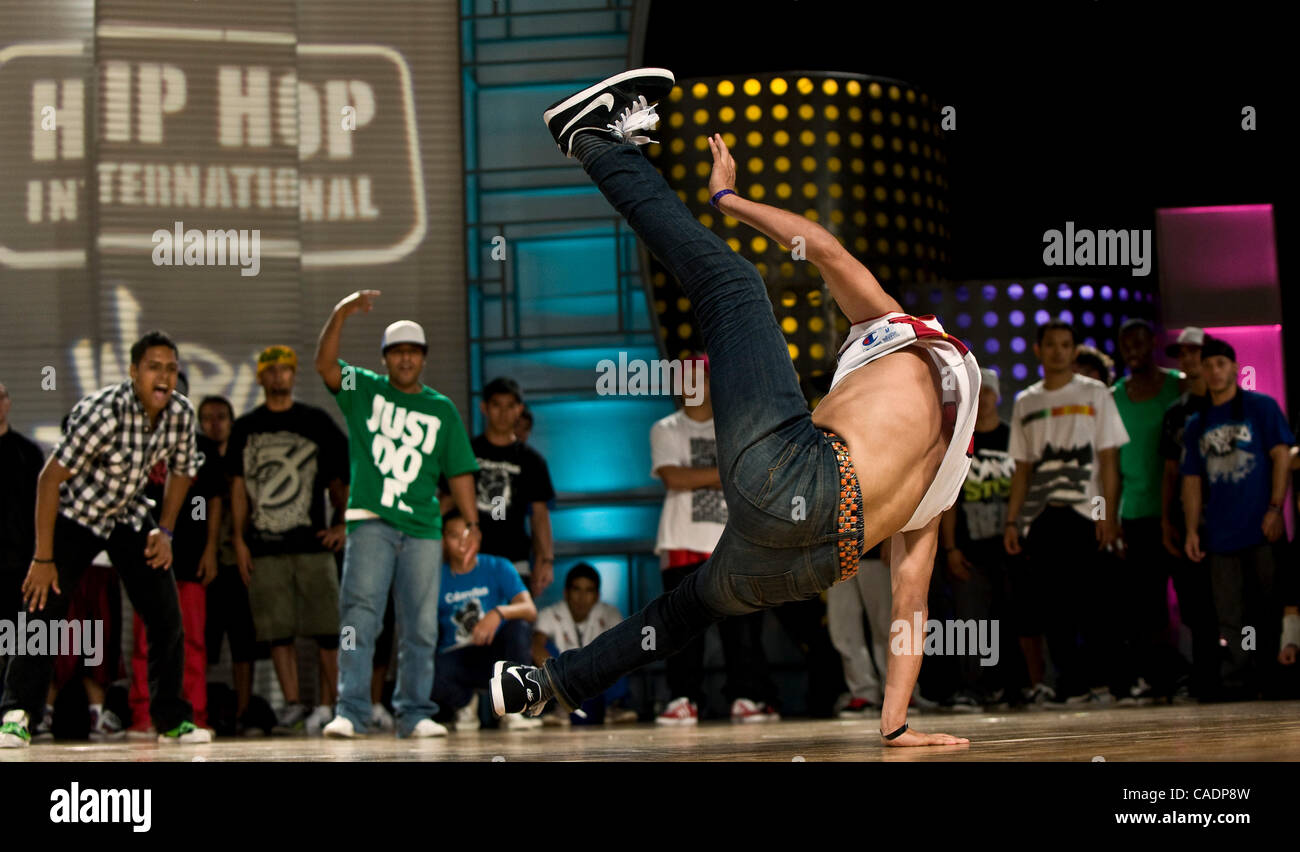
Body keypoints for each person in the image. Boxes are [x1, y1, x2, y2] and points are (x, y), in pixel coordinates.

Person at [490, 69, 981, 747]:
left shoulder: (896, 329)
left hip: (800, 483)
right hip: (801, 566)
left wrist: (728, 196)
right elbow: (910, 601)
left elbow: (823, 248)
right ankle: (549, 686)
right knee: (683, 610)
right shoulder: (942, 478)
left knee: (734, 286)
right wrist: (895, 724)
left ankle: (594, 139)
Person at [0, 331, 211, 746]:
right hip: (76, 514)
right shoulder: (103, 412)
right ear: (134, 372)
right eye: (154, 367)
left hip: (128, 514)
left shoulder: (181, 414)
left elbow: (184, 469)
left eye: (171, 368)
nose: (164, 376)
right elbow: (49, 480)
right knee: (41, 608)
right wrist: (43, 558)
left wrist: (165, 530)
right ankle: (16, 712)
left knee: (166, 613)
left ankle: (171, 720)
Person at [314, 291, 481, 739]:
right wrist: (340, 312)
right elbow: (325, 366)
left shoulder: (441, 409)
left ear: (423, 358)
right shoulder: (363, 388)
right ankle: (350, 711)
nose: (405, 359)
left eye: (413, 351)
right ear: (384, 358)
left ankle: (414, 713)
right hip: (370, 519)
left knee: (421, 625)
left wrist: (472, 523)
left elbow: (461, 471)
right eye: (397, 352)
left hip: (424, 528)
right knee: (360, 616)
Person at [1004, 320, 1128, 706]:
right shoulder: (1026, 401)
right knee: (1053, 606)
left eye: (1066, 344)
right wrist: (1014, 520)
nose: (1059, 351)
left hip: (1086, 510)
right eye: (1052, 344)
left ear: (1074, 351)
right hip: (1042, 514)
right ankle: (1071, 684)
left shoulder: (1094, 393)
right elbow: (1022, 468)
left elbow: (1108, 458)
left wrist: (1104, 515)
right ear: (1038, 350)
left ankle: (1103, 682)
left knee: (1095, 602)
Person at [649, 354, 779, 723]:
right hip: (681, 542)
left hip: (732, 541)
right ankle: (683, 699)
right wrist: (726, 472)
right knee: (682, 628)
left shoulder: (734, 426)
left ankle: (746, 696)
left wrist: (704, 475)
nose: (692, 386)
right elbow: (675, 479)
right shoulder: (666, 428)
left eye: (700, 379)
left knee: (742, 629)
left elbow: (753, 475)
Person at [227, 346, 349, 735]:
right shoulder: (245, 428)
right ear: (261, 377)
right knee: (277, 632)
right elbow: (237, 487)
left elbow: (340, 479)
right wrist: (240, 540)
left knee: (328, 630)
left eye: (286, 370)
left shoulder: (316, 422)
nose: (279, 376)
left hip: (313, 544)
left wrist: (344, 523)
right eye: (271, 370)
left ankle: (333, 706)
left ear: (294, 376)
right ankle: (294, 705)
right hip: (265, 546)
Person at [1180, 337, 1294, 699]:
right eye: (1208, 364)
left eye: (1221, 364)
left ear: (1233, 367)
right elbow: (1192, 479)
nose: (1214, 371)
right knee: (1230, 614)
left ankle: (1273, 676)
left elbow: (1281, 456)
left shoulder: (1261, 407)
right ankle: (1239, 679)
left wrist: (1276, 508)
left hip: (1261, 526)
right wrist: (1191, 529)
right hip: (1220, 534)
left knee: (1269, 606)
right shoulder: (1197, 423)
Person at [127, 371, 224, 736]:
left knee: (193, 640)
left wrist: (211, 549)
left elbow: (214, 501)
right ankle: (143, 716)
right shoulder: (137, 444)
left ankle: (194, 714)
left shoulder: (201, 447)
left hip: (191, 558)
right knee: (144, 642)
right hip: (149, 557)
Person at [1111, 319, 1185, 701]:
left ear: (1153, 343)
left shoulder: (1179, 384)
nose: (1133, 349)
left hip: (1181, 513)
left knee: (1191, 601)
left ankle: (1202, 673)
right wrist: (1107, 518)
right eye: (1126, 344)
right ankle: (1160, 681)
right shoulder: (1115, 395)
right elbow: (1108, 465)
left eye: (1139, 342)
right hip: (1135, 514)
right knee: (1147, 605)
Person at [938, 367, 1015, 710]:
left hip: (1009, 546)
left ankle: (1011, 686)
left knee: (1011, 618)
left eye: (987, 393)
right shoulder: (960, 441)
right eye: (977, 393)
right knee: (971, 623)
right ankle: (972, 687)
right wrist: (951, 547)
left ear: (996, 395)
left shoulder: (1014, 437)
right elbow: (949, 500)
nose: (982, 400)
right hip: (970, 548)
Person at [432, 509, 537, 731]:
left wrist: (498, 612)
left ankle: (512, 707)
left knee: (519, 627)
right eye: (454, 535)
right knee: (421, 662)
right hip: (456, 657)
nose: (463, 542)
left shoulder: (498, 566)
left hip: (496, 656)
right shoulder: (434, 577)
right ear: (442, 540)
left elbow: (530, 610)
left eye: (468, 534)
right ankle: (464, 704)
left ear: (478, 537)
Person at [198, 394, 266, 732]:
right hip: (206, 564)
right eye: (208, 417)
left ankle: (242, 711)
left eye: (222, 416)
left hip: (239, 561)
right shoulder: (193, 459)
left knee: (243, 640)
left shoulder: (245, 458)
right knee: (203, 640)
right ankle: (199, 710)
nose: (215, 424)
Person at [1157, 328, 1217, 700]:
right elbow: (1168, 471)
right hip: (1185, 518)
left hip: (1231, 516)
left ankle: (1249, 675)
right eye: (1184, 354)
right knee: (1194, 605)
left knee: (1232, 601)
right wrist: (1166, 519)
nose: (1190, 360)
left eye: (1197, 352)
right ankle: (1205, 680)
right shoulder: (1175, 413)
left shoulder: (1230, 401)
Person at [470, 377, 557, 596]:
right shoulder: (466, 452)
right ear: (484, 408)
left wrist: (545, 560)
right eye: (496, 405)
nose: (503, 413)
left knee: (515, 626)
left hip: (515, 560)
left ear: (519, 409)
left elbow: (539, 515)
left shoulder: (532, 460)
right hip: (470, 557)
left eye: (510, 406)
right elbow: (447, 502)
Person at [533, 563, 637, 724]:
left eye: (589, 591)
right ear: (566, 593)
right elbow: (535, 646)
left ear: (597, 595)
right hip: (563, 681)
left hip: (598, 680)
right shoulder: (550, 613)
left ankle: (615, 707)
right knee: (543, 647)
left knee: (621, 646)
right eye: (576, 590)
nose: (582, 597)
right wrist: (556, 675)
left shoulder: (609, 613)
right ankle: (558, 709)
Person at [0, 381, 44, 705]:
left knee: (24, 642)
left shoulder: (28, 452)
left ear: (8, 403)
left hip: (21, 566)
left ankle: (24, 711)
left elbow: (41, 508)